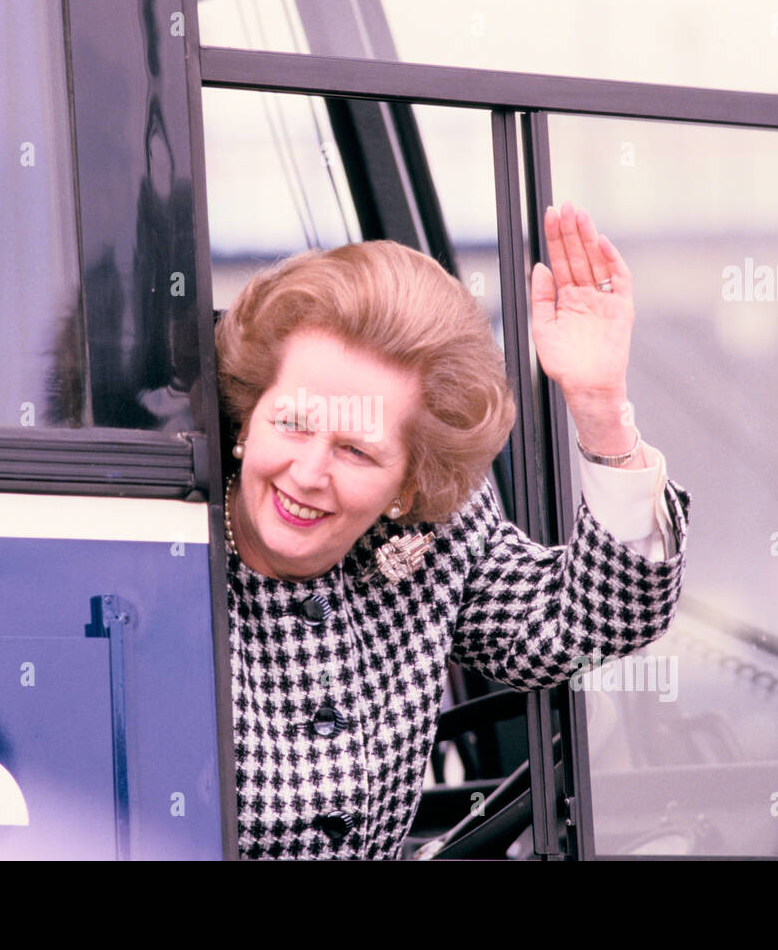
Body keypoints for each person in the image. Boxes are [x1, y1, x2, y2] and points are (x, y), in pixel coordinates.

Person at [216, 201, 691, 859]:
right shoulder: (162, 541)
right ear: (246, 419)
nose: (309, 471)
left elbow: (597, 617)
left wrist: (600, 408)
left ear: (408, 485)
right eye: (291, 423)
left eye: (356, 451)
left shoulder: (434, 544)